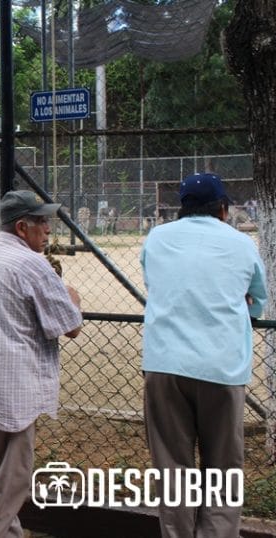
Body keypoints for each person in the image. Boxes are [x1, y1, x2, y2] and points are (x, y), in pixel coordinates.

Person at [141, 173, 267, 538]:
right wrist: (246, 308)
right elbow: (258, 299)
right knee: (223, 468)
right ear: (223, 209)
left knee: (173, 467)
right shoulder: (241, 243)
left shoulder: (158, 237)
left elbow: (155, 282)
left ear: (182, 207)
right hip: (221, 366)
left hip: (165, 364)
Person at [0, 190, 83, 537]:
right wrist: (73, 296)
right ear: (23, 227)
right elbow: (70, 326)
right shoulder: (31, 263)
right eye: (42, 221)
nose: (48, 229)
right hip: (10, 387)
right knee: (11, 482)